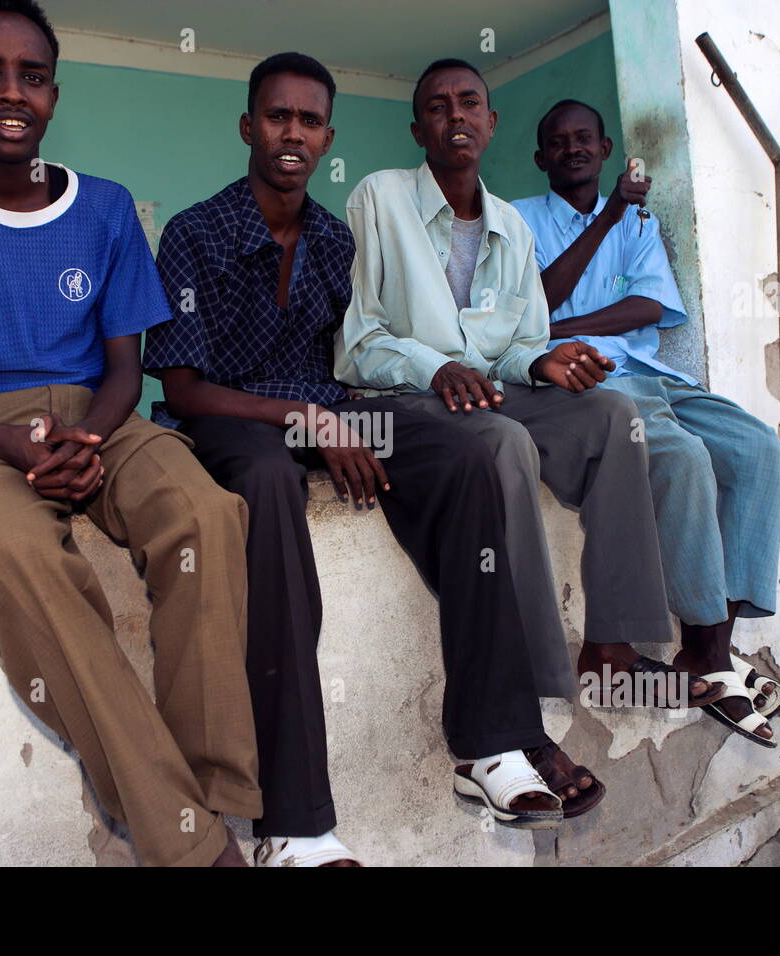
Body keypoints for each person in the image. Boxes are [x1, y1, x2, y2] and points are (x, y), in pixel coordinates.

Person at [144, 53, 571, 866]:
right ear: (248, 127)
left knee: (462, 456)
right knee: (270, 485)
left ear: (327, 135)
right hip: (234, 420)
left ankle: (491, 743)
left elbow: (354, 357)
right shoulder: (194, 234)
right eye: (278, 117)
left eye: (309, 121)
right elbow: (186, 390)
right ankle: (292, 822)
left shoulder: (337, 238)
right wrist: (298, 416)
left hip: (326, 415)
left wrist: (328, 416)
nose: (293, 133)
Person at [0, 0, 261, 866]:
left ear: (54, 94)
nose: (11, 92)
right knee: (26, 557)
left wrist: (87, 442)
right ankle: (188, 840)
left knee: (203, 514)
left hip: (101, 415)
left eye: (32, 75)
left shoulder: (103, 209)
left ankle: (215, 790)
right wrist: (16, 451)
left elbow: (126, 367)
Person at [335, 59, 729, 733]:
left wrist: (546, 360)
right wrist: (436, 368)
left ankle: (610, 649)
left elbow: (513, 345)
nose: (455, 116)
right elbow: (358, 340)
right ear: (418, 128)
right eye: (438, 107)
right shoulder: (380, 199)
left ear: (490, 123)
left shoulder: (511, 229)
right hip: (404, 394)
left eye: (469, 104)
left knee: (613, 413)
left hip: (486, 390)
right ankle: (533, 676)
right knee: (506, 440)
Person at [512, 99, 780, 746]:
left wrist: (560, 323)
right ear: (540, 157)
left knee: (755, 447)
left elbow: (647, 305)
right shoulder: (517, 220)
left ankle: (708, 649)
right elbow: (535, 302)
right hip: (587, 380)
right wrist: (605, 217)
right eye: (558, 140)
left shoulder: (638, 223)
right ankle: (713, 660)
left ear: (606, 150)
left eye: (585, 138)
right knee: (682, 459)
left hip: (651, 374)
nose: (572, 148)